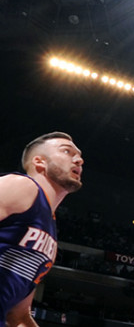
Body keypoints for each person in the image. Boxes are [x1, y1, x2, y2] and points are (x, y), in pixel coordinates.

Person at [1, 132, 84, 327]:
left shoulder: (50, 238)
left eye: (80, 156)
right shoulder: (22, 186)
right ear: (40, 162)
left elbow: (18, 316)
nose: (79, 160)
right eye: (67, 152)